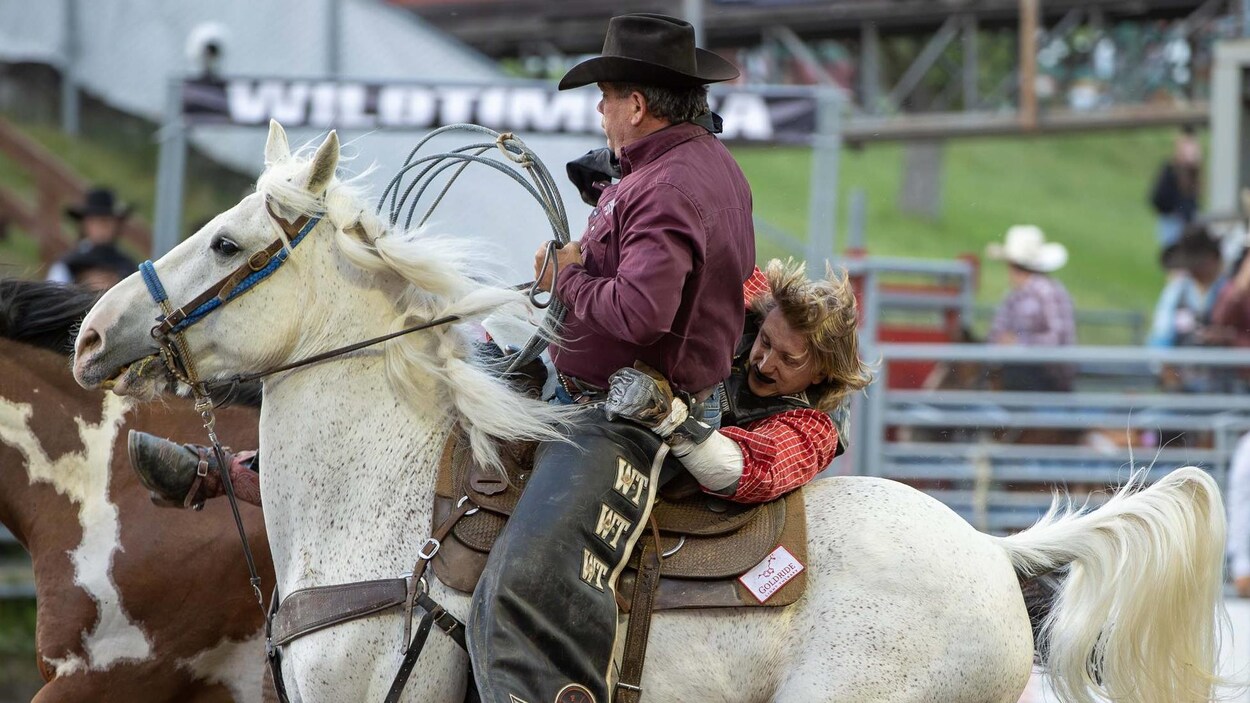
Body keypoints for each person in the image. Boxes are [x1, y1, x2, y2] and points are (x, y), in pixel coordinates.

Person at [133, 14, 755, 703]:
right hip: (590, 387)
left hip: (628, 418)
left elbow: (641, 313)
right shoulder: (685, 169)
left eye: (605, 99)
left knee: (524, 589)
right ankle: (247, 471)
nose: (600, 113)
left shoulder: (665, 186)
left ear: (636, 105)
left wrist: (565, 277)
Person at [985, 225, 1076, 391]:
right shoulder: (1014, 296)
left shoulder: (1047, 292)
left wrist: (1017, 343)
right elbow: (996, 334)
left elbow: (1059, 340)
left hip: (1047, 377)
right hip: (1024, 373)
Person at [46, 187, 138, 287]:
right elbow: (54, 293)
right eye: (95, 222)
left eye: (106, 221)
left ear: (115, 224)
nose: (101, 227)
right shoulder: (67, 265)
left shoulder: (127, 265)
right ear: (85, 224)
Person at [1149, 126, 1202, 254]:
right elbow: (1158, 198)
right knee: (1174, 256)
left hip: (1187, 223)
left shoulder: (1192, 173)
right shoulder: (1171, 170)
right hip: (1172, 222)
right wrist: (1175, 211)